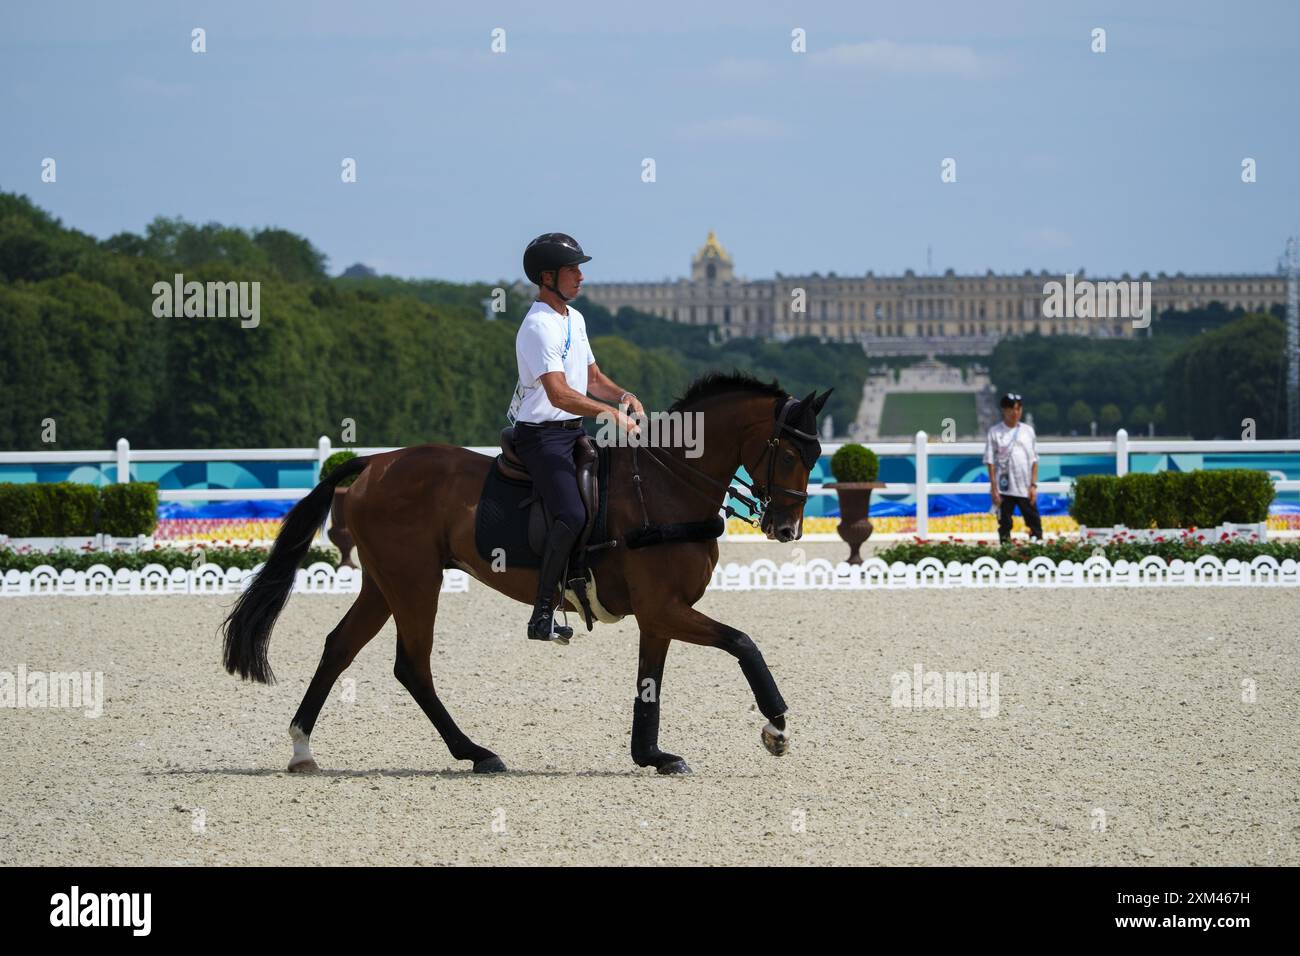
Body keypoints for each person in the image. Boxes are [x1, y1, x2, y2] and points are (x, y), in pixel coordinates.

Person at [508, 233, 642, 643]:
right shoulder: (537, 326)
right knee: (572, 513)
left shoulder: (574, 318)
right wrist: (606, 413)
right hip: (541, 437)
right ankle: (543, 612)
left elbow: (593, 378)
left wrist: (623, 396)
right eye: (573, 270)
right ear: (547, 277)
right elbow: (559, 393)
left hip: (572, 432)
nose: (581, 277)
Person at [984, 392, 1043, 545]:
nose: (1015, 413)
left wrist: (1033, 485)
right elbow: (990, 461)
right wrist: (994, 488)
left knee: (1034, 522)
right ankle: (1006, 552)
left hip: (1024, 486)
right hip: (1004, 487)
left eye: (1018, 409)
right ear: (1004, 410)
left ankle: (1037, 551)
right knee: (1005, 523)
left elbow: (1034, 460)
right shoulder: (995, 432)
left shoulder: (1028, 431)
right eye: (1011, 409)